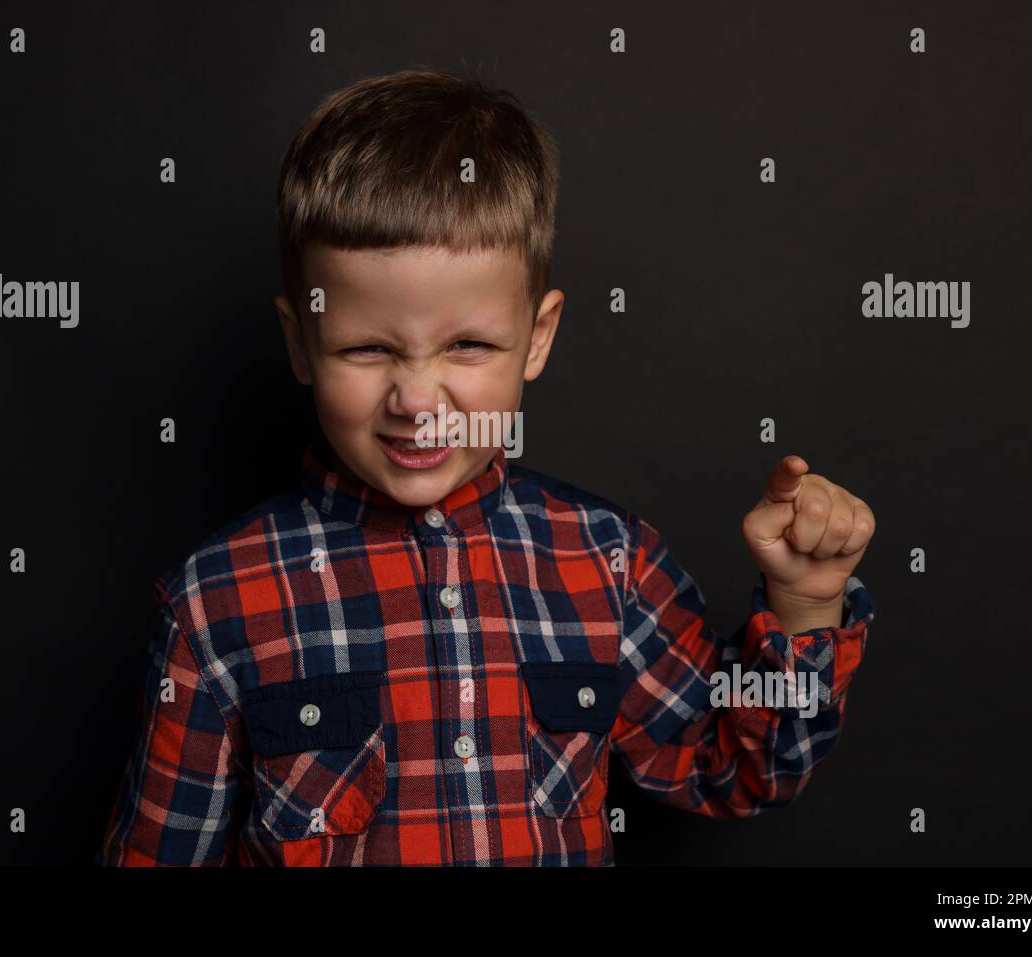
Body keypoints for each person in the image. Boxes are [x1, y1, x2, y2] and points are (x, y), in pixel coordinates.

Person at [96, 68, 877, 866]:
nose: (416, 398)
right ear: (301, 343)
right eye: (367, 348)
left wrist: (807, 605)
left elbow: (739, 767)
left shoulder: (610, 564)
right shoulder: (212, 604)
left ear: (537, 337)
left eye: (468, 345)